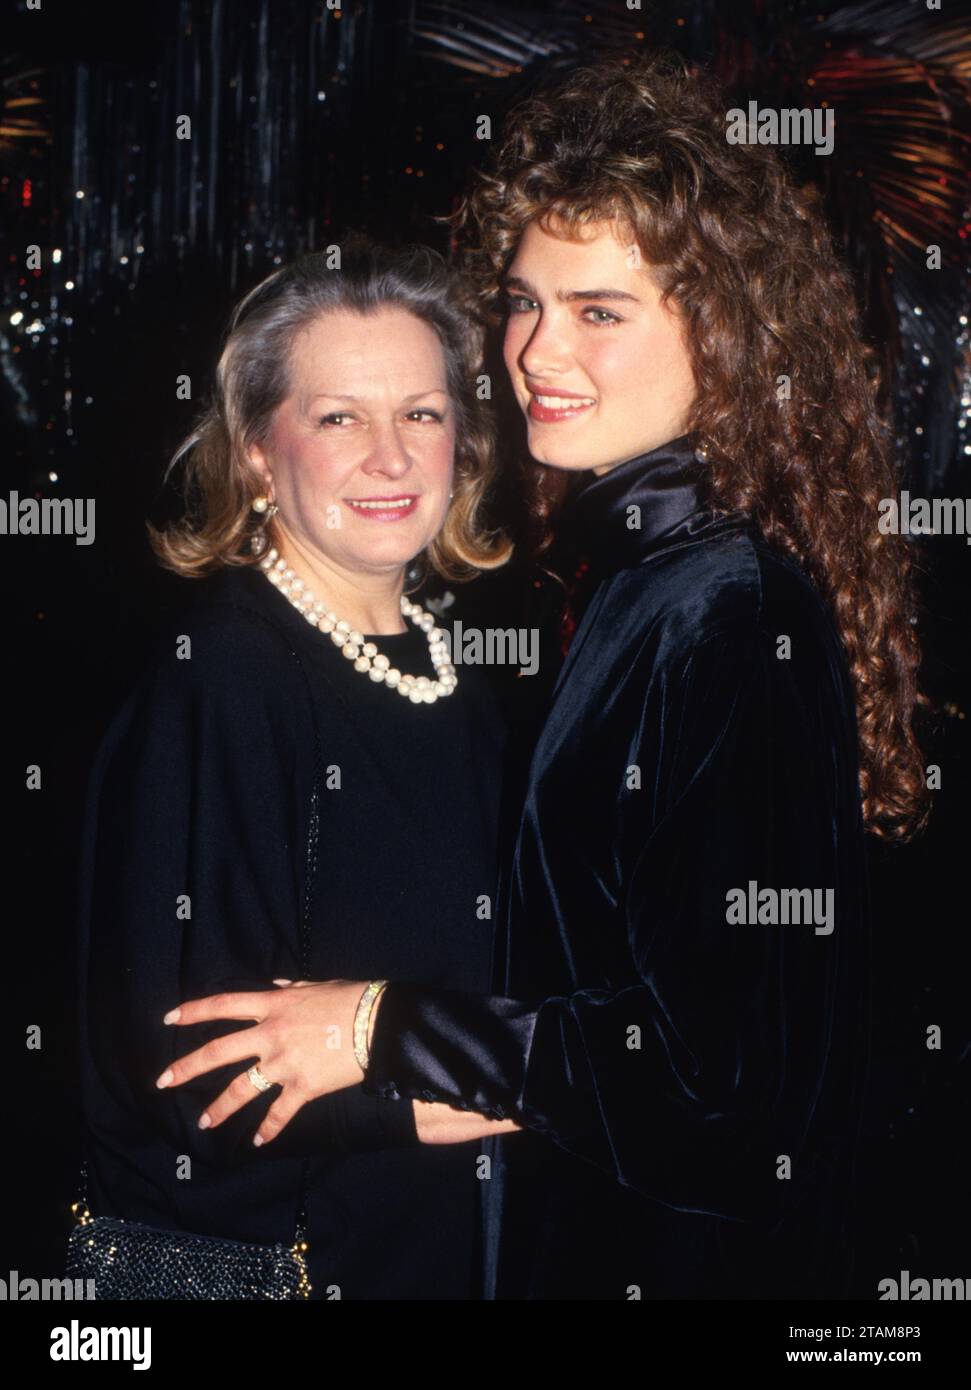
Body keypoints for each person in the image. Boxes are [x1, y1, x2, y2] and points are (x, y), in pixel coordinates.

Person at [158, 53, 929, 1299]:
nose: (533, 353)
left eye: (598, 311)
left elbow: (728, 1089)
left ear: (722, 335)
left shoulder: (722, 614)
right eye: (522, 302)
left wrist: (380, 1028)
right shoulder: (624, 579)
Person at [74, 236, 520, 1301]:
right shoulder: (222, 681)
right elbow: (196, 1079)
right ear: (258, 455)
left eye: (420, 412)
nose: (391, 456)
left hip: (426, 1248)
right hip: (268, 1269)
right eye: (338, 417)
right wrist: (523, 1082)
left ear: (463, 441)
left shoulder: (464, 670)